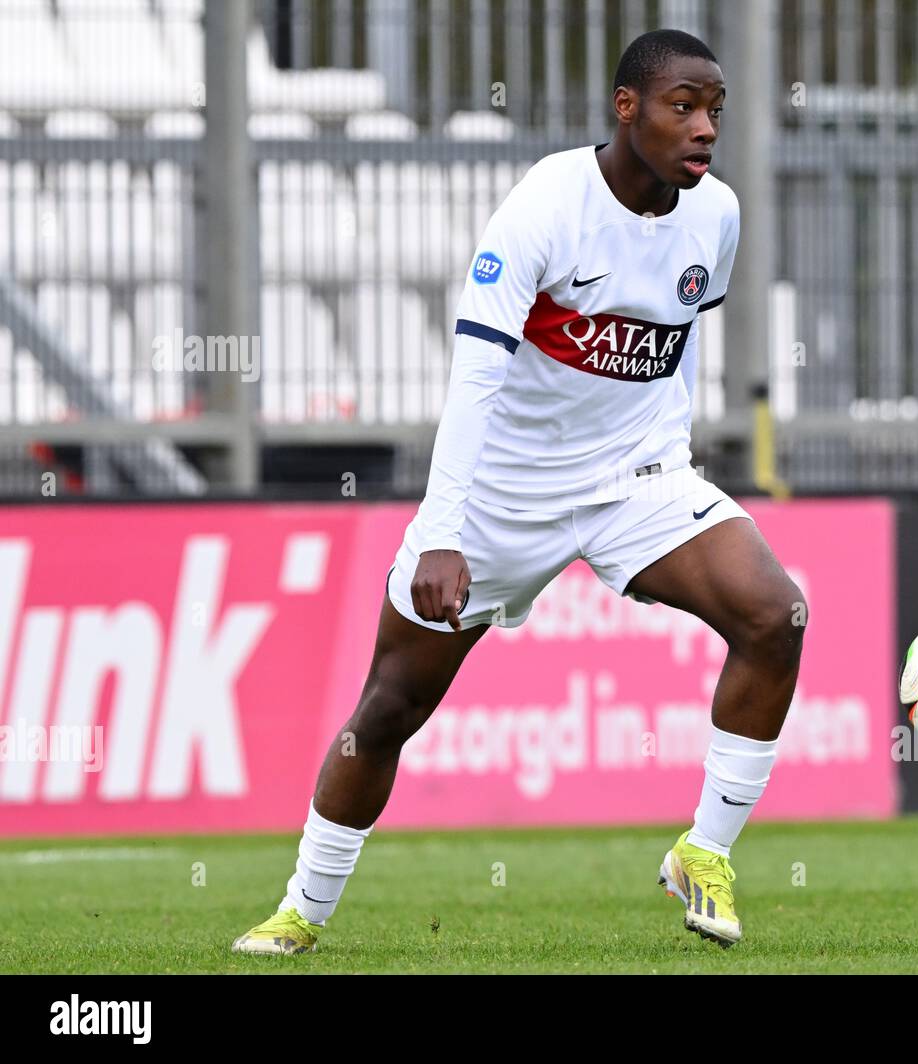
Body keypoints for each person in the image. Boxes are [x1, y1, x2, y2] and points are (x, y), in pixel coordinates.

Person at [232, 29, 807, 955]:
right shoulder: (546, 204)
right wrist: (444, 530)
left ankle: (704, 852)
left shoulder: (718, 217)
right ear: (627, 108)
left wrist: (670, 462)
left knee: (776, 615)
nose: (704, 128)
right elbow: (476, 377)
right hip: (503, 495)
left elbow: (678, 346)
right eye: (683, 107)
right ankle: (303, 907)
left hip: (637, 481)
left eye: (714, 111)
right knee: (387, 711)